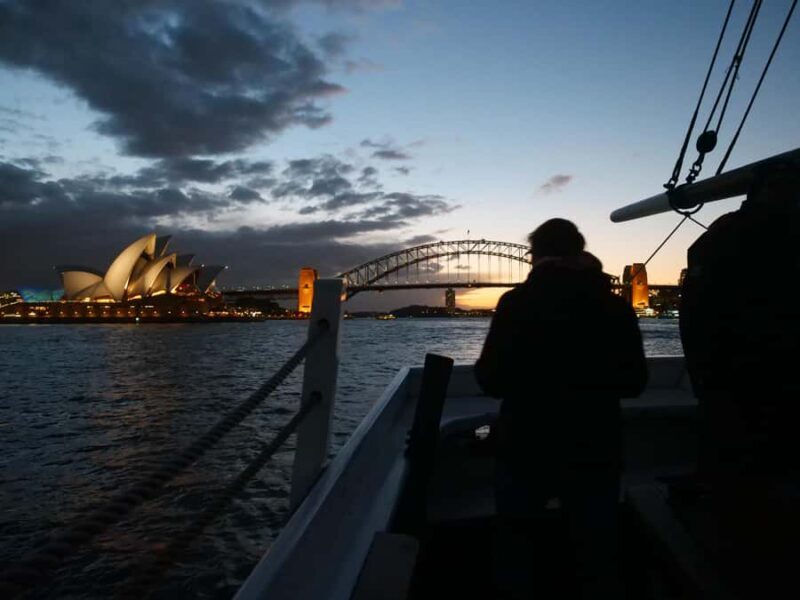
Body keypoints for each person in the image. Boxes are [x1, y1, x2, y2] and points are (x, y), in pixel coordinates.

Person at [475, 218, 647, 599]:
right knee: (596, 553)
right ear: (580, 252)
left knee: (516, 550)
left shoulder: (516, 304)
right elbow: (635, 383)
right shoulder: (616, 307)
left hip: (525, 447)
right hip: (596, 448)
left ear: (535, 256)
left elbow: (489, 380)